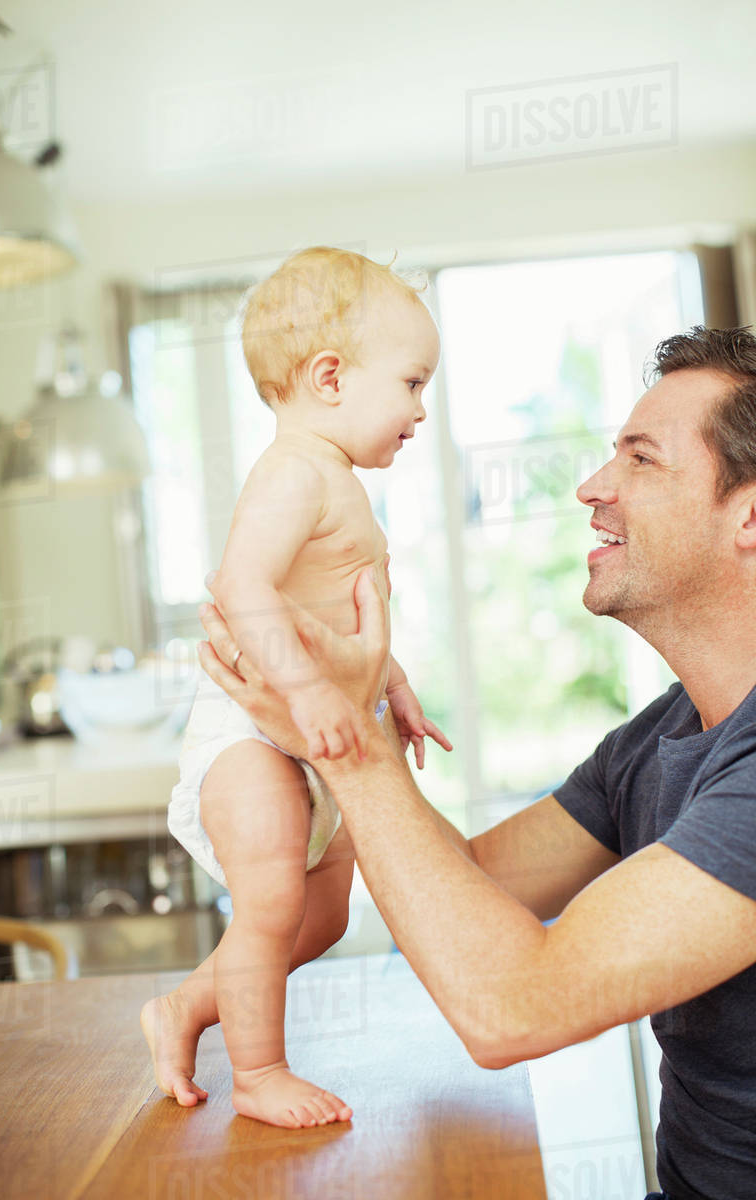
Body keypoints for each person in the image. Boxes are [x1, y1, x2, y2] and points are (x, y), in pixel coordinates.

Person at [196, 325, 756, 1200]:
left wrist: (342, 743)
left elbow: (512, 1007)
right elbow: (467, 890)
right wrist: (352, 715)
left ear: (750, 514)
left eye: (641, 461)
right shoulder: (659, 740)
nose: (592, 487)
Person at [140, 247, 451, 1129]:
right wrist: (310, 697)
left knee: (320, 920)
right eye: (412, 383)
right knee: (272, 902)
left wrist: (389, 683)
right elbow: (241, 587)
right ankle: (262, 1073)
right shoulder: (293, 474)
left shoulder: (335, 479)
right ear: (329, 377)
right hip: (251, 731)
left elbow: (343, 615)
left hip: (312, 731)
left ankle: (187, 1005)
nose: (420, 411)